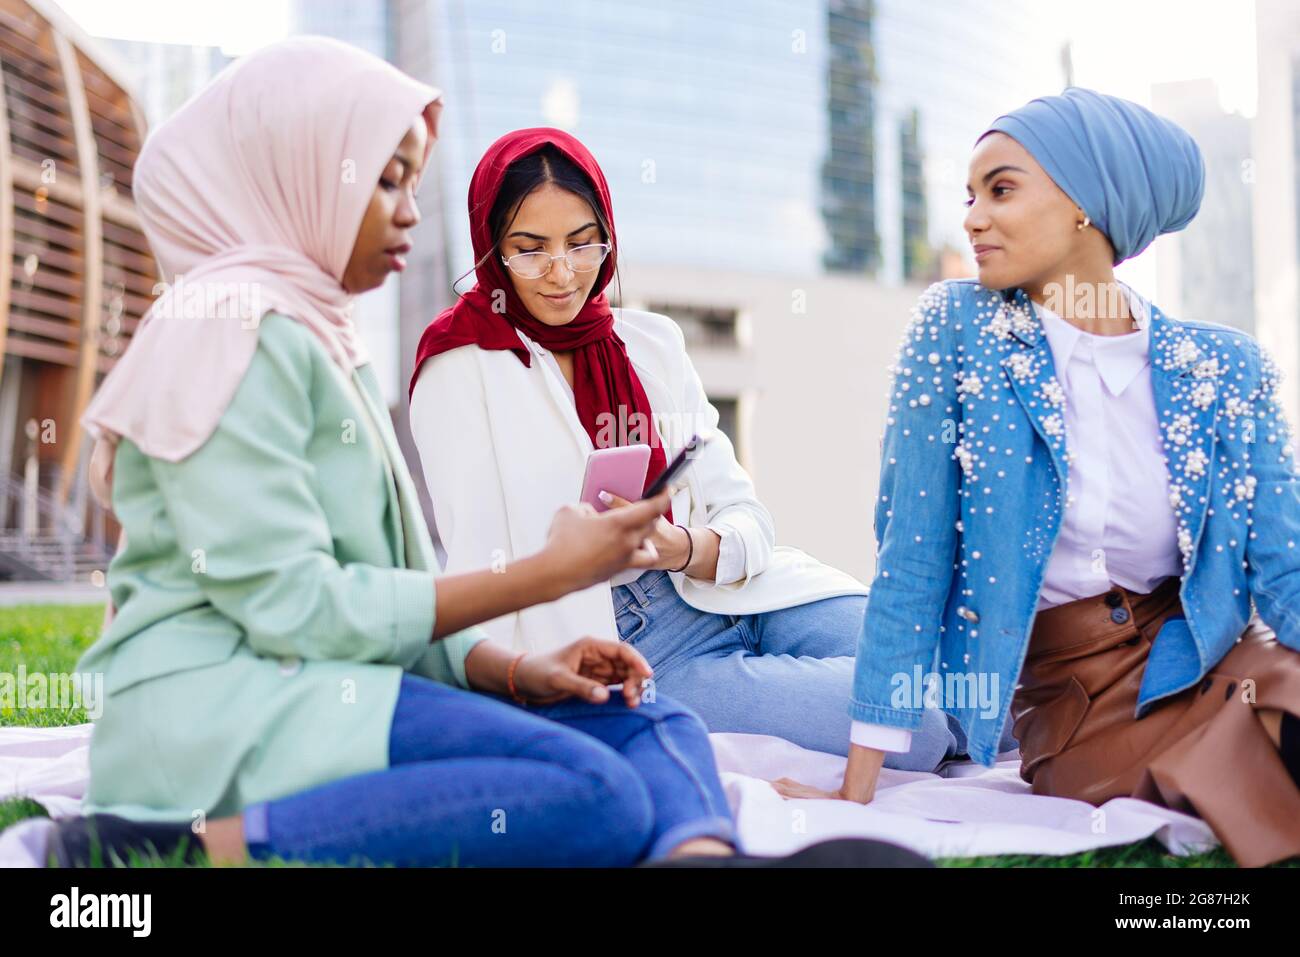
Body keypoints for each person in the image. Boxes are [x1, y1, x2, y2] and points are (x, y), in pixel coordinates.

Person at [31, 36, 911, 870]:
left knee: (649, 722)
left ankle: (700, 855)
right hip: (229, 715)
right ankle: (167, 842)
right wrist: (541, 583)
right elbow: (302, 611)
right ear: (293, 174)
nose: (412, 212)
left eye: (413, 182)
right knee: (592, 790)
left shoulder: (314, 335)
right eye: (385, 181)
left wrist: (520, 669)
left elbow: (388, 601)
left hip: (337, 689)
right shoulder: (229, 330)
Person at [773, 87, 1300, 868]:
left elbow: (1283, 565)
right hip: (1078, 706)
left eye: (1002, 187)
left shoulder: (1224, 366)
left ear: (1087, 204)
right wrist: (860, 785)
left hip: (1213, 657)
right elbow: (912, 558)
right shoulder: (955, 330)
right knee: (1251, 767)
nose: (973, 217)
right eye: (970, 195)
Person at [407, 127, 973, 769]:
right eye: (529, 250)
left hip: (737, 588)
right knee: (913, 724)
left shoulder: (650, 343)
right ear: (491, 249)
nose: (562, 273)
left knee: (959, 669)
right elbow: (482, 568)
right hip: (641, 649)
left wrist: (688, 547)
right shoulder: (460, 364)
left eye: (582, 242)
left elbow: (745, 513)